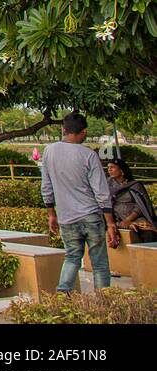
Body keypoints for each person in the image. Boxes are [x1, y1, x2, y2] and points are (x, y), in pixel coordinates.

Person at [41, 114, 118, 292]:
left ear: (64, 130)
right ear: (84, 132)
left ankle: (63, 296)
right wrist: (111, 222)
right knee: (99, 263)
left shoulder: (49, 151)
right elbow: (101, 191)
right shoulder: (89, 155)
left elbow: (46, 186)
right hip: (91, 215)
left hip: (66, 217)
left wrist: (51, 214)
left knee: (72, 258)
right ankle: (103, 302)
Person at [107, 157, 157, 243]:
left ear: (121, 170)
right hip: (118, 220)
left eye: (113, 167)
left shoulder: (135, 185)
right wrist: (123, 222)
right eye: (108, 167)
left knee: (148, 234)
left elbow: (141, 205)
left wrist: (129, 220)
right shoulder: (108, 186)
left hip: (137, 219)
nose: (109, 170)